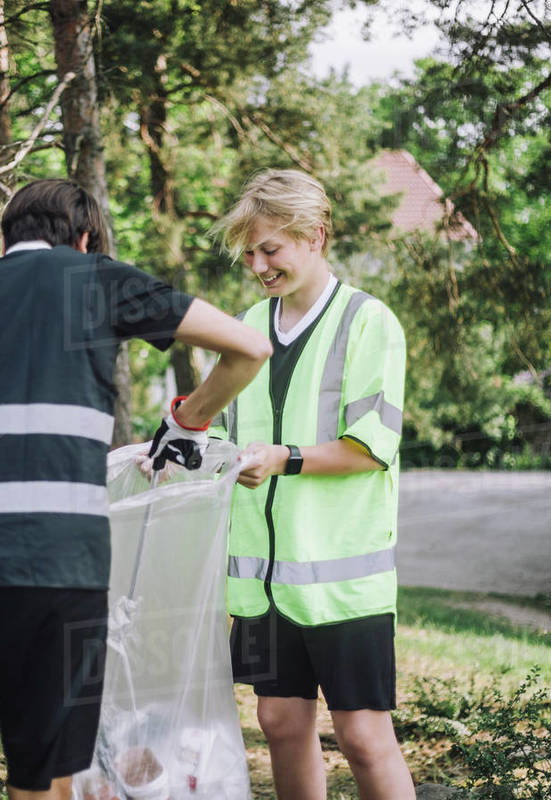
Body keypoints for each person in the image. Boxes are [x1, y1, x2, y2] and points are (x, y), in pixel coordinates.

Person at [0, 178, 272, 800]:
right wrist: (189, 420)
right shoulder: (95, 280)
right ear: (84, 237)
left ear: (9, 238)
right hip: (59, 576)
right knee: (45, 777)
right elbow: (250, 347)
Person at [210, 169, 415, 800]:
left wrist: (282, 459)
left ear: (315, 236)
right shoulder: (245, 324)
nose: (258, 265)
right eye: (249, 253)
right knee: (278, 721)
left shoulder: (367, 322)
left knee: (361, 736)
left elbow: (370, 448)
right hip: (264, 583)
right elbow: (222, 429)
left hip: (342, 585)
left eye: (270, 249)